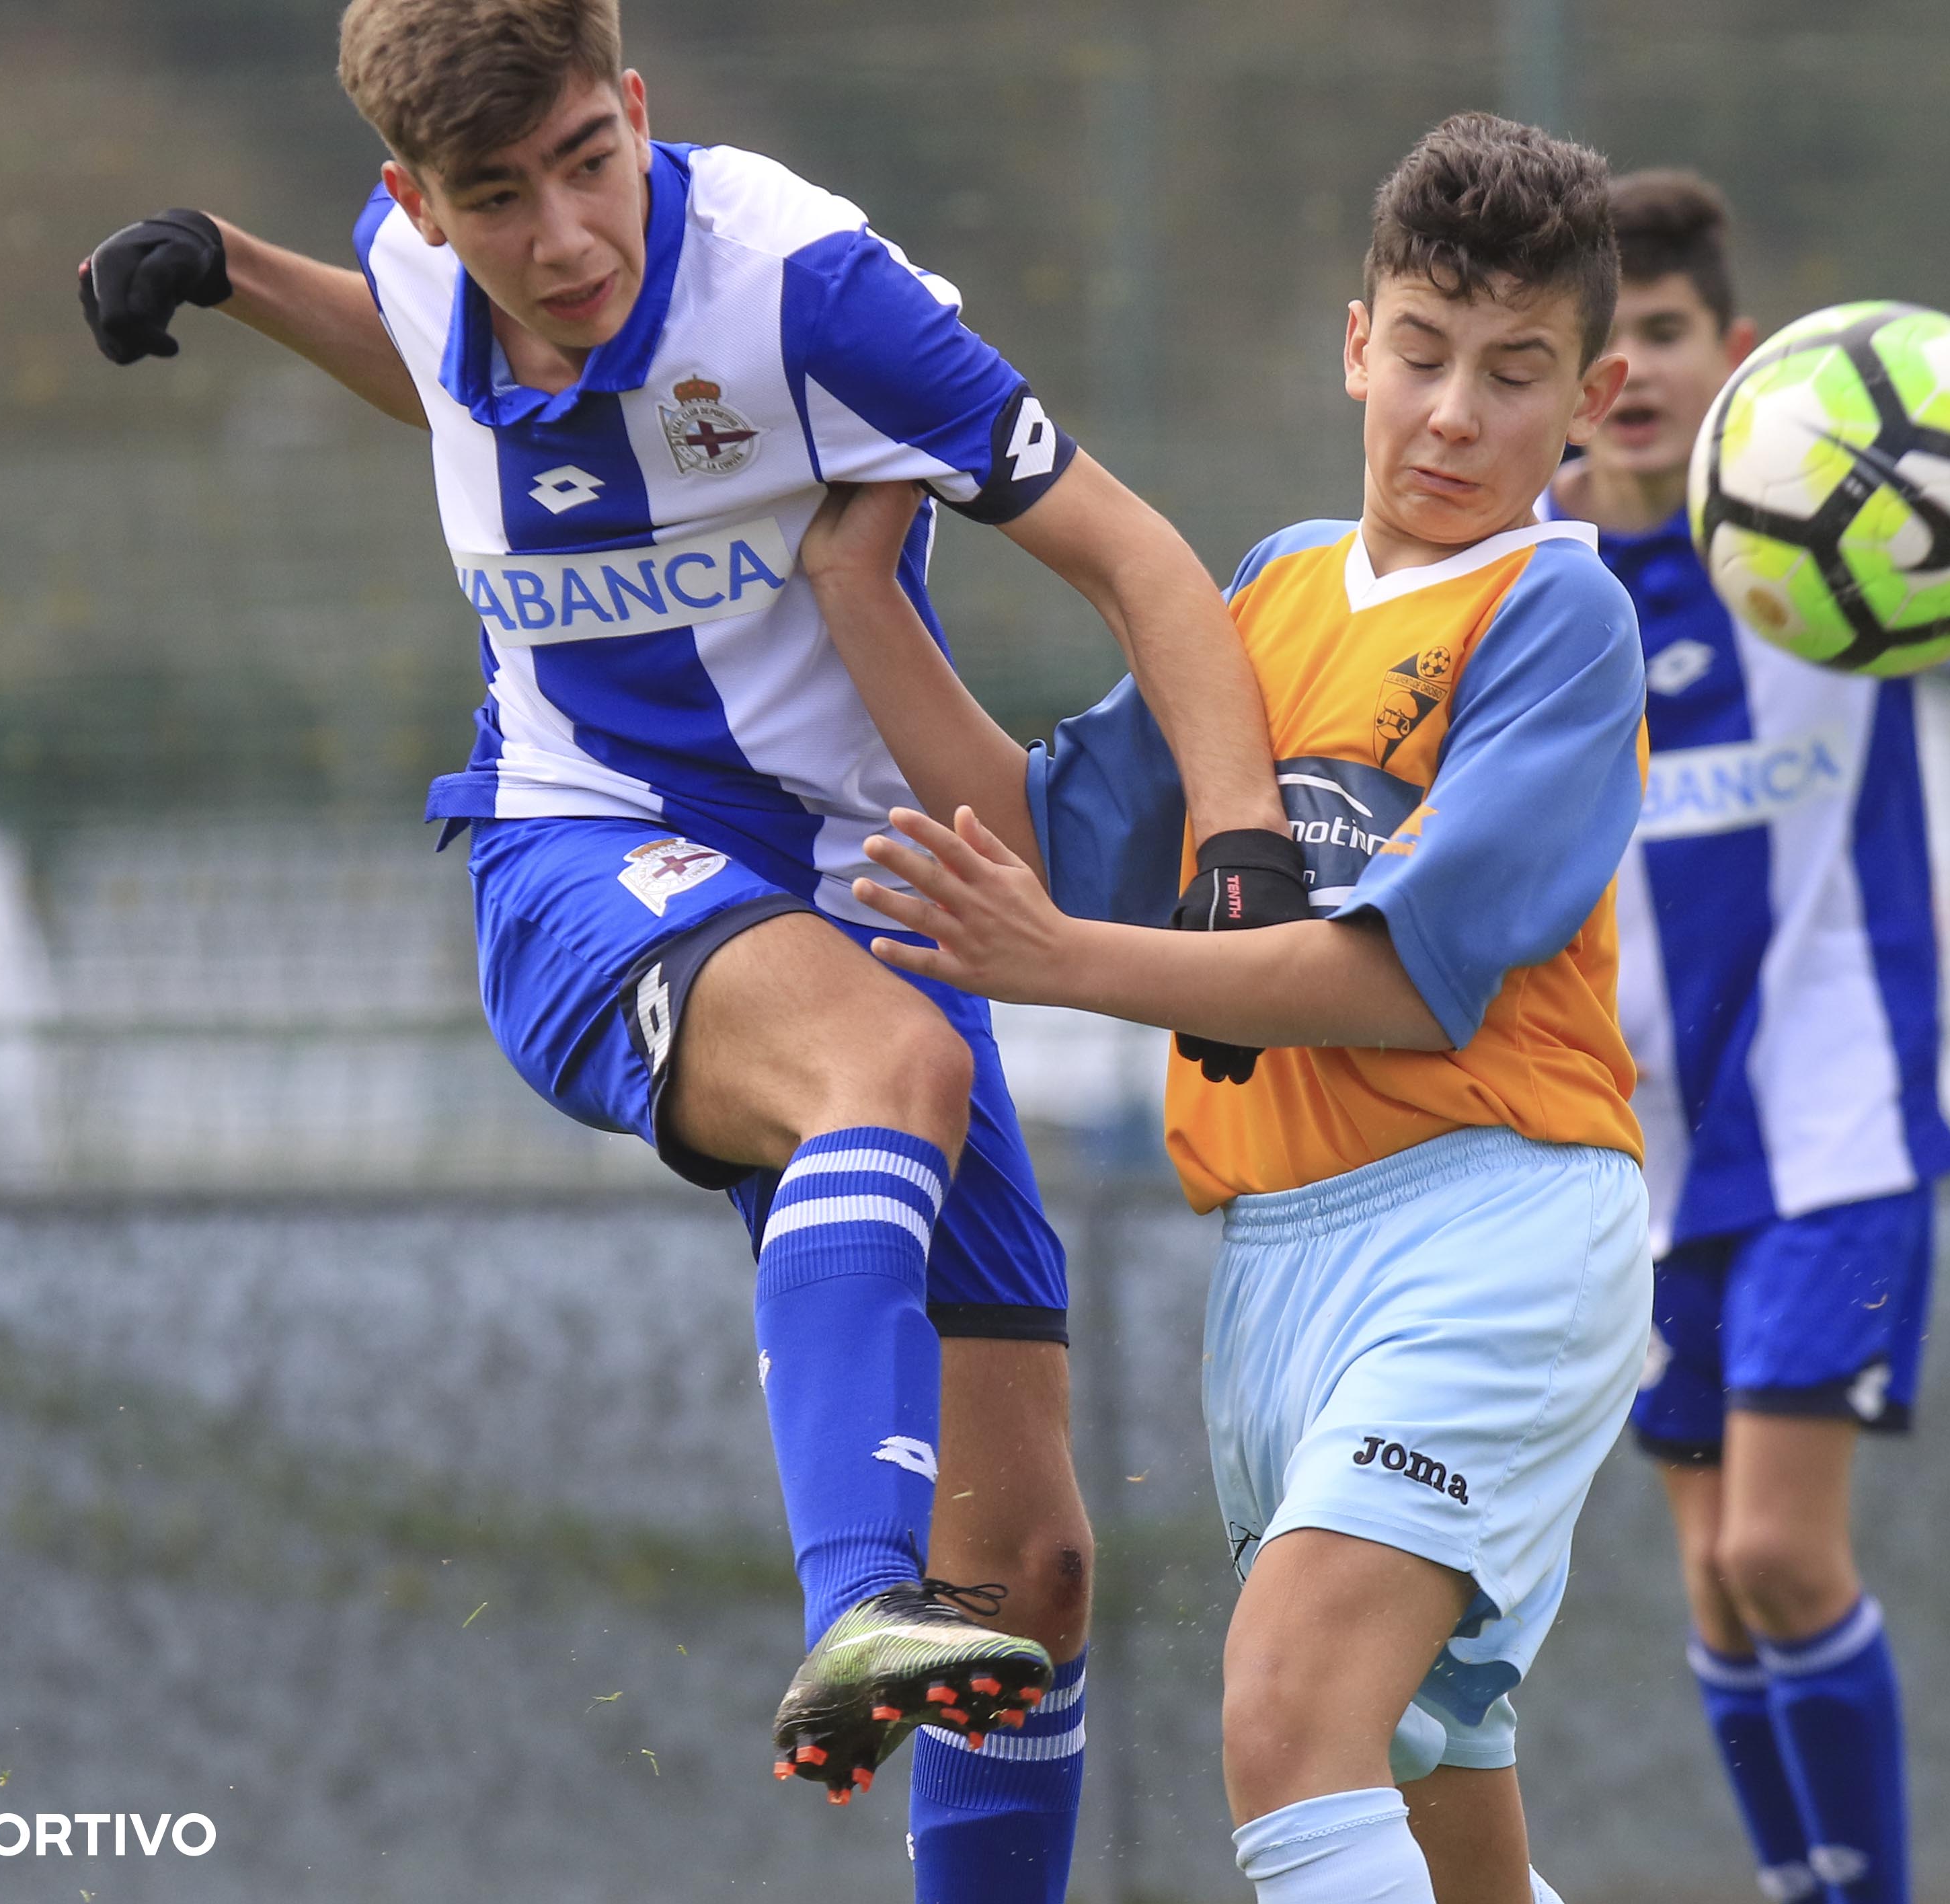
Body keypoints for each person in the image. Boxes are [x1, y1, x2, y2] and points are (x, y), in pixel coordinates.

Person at [70, 0, 1294, 1890]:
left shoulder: (810, 292)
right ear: (422, 201)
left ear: (633, 107)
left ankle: (916, 1619)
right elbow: (440, 368)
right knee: (894, 1073)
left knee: (1036, 1580)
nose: (566, 234)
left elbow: (1143, 560)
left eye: (588, 161)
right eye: (501, 198)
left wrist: (1244, 843)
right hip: (577, 858)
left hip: (867, 891)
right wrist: (231, 273)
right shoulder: (423, 263)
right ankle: (853, 1601)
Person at [792, 113, 1645, 1904]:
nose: (1451, 414)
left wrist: (1059, 964)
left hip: (1489, 1229)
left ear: (1589, 395)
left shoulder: (1562, 617)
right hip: (1274, 1267)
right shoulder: (1265, 596)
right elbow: (1047, 837)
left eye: (1513, 374)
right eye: (1420, 354)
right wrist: (856, 587)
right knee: (1427, 1816)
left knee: (1282, 1714)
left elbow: (1398, 981)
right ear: (1356, 344)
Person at [1539, 172, 1950, 1904]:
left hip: (1839, 1124)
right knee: (1717, 1587)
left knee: (1779, 1550)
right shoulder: (1533, 571)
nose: (1639, 370)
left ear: (1738, 354)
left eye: (1669, 332)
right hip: (1629, 1150)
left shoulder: (1842, 523)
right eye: (1610, 342)